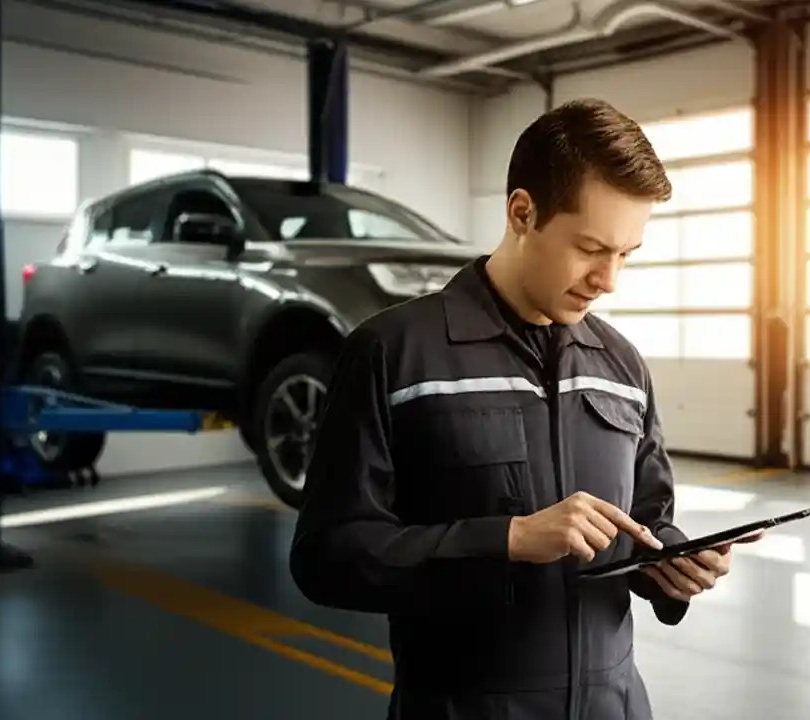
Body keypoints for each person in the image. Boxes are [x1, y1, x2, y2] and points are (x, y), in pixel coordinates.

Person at [290, 98, 758, 720]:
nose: (608, 279)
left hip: (614, 706)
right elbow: (328, 558)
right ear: (521, 212)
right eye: (590, 247)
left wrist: (671, 560)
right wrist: (508, 539)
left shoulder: (622, 366)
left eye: (627, 254)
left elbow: (647, 517)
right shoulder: (394, 354)